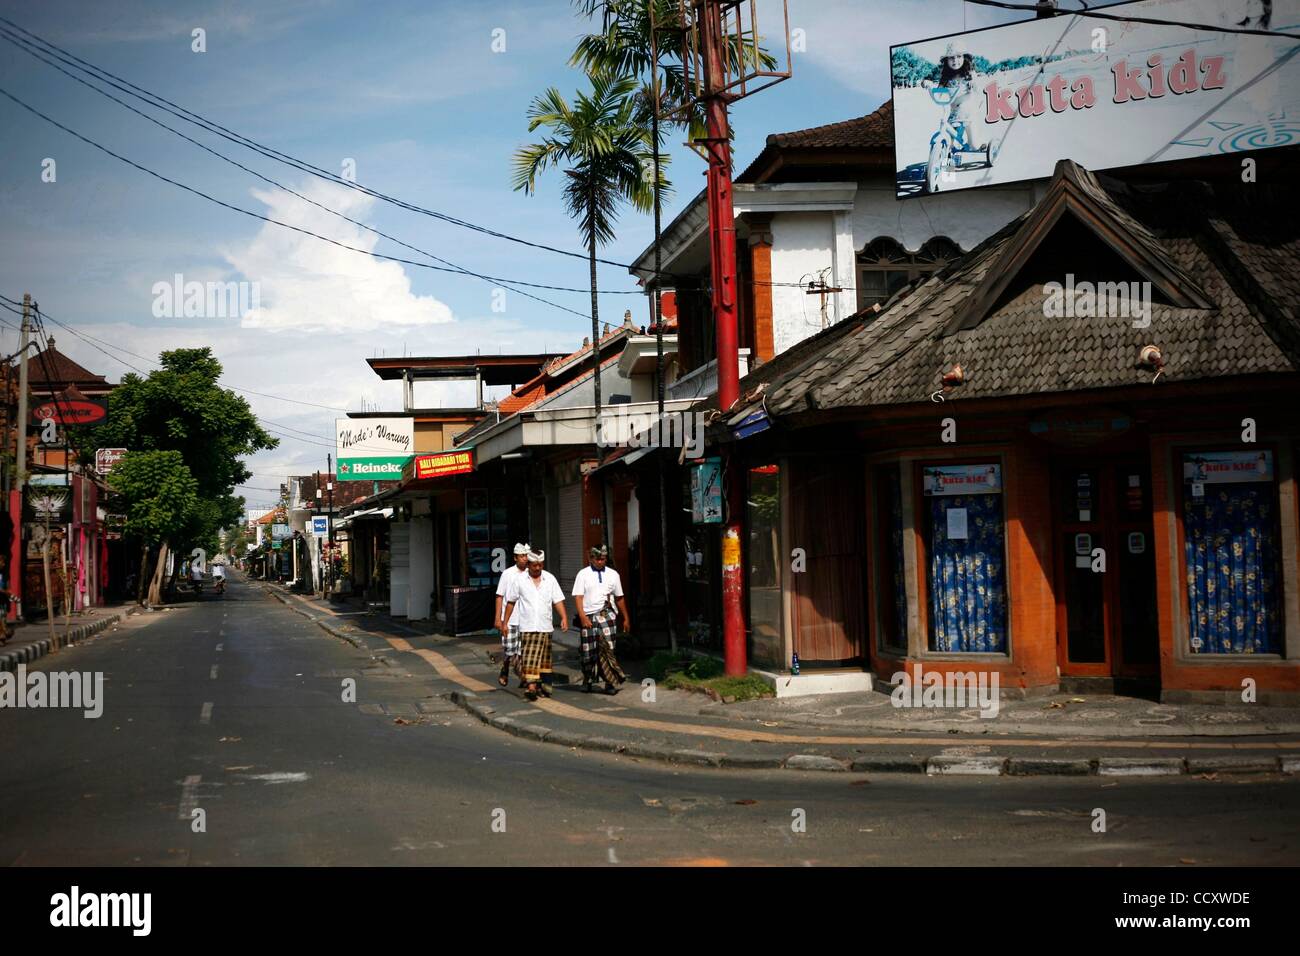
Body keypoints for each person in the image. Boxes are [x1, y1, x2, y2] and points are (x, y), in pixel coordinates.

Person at [501, 550, 567, 701]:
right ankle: (531, 687)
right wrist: (505, 622)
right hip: (527, 626)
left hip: (545, 626)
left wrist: (564, 617)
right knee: (530, 657)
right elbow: (510, 602)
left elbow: (557, 600)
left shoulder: (550, 579)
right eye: (534, 565)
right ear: (528, 565)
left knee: (543, 660)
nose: (537, 568)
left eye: (540, 565)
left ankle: (542, 686)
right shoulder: (519, 580)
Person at [571, 545, 630, 695]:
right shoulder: (582, 575)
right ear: (590, 558)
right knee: (588, 651)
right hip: (588, 617)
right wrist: (583, 616)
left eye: (603, 559)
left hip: (607, 615)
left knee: (608, 649)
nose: (600, 562)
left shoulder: (613, 575)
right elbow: (578, 597)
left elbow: (619, 598)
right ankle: (588, 679)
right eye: (597, 559)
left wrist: (625, 618)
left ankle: (610, 682)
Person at [494, 543, 531, 687]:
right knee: (510, 650)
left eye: (526, 556)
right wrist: (498, 618)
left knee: (522, 651)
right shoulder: (507, 574)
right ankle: (505, 669)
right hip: (509, 619)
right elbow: (499, 596)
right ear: (515, 558)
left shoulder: (531, 574)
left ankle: (523, 677)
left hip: (526, 619)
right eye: (522, 556)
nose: (524, 559)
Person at [0, 554, 13, 645]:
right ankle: (2, 635)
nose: (3, 564)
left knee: (3, 619)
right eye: (2, 562)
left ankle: (3, 636)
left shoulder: (4, 575)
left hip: (2, 602)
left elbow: (8, 587)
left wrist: (8, 592)